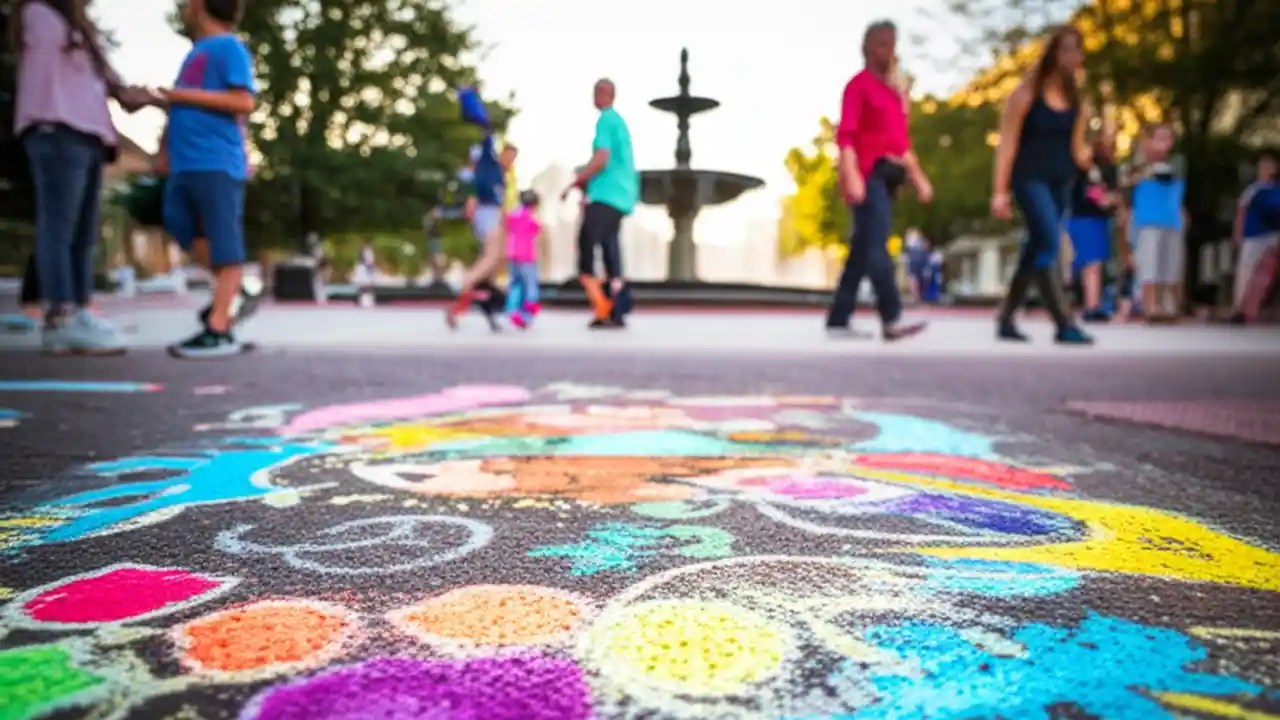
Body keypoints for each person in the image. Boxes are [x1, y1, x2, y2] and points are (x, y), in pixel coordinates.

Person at [12, 0, 151, 354]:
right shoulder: (40, 15)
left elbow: (107, 86)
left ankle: (79, 309)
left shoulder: (78, 28)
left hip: (87, 136)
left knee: (82, 234)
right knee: (59, 228)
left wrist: (134, 94)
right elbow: (46, 81)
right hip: (56, 129)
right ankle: (62, 314)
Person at [144, 0, 256, 358]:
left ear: (199, 5)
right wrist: (163, 149)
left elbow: (243, 101)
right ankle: (238, 289)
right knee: (180, 224)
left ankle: (219, 328)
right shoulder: (195, 54)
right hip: (185, 164)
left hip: (216, 162)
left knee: (224, 242)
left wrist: (178, 95)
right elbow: (181, 109)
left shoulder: (228, 47)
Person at [990, 25, 1094, 345]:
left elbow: (1078, 151)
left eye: (1077, 50)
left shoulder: (1078, 101)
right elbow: (1006, 145)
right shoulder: (1024, 95)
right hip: (1029, 178)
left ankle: (1006, 317)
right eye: (1065, 49)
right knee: (1050, 243)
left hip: (1062, 181)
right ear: (1052, 53)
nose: (1072, 56)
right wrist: (1000, 191)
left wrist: (1096, 152)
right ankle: (1064, 322)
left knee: (1034, 248)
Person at [826, 21, 930, 341]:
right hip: (866, 174)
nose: (888, 50)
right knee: (876, 246)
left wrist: (919, 179)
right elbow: (846, 137)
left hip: (888, 176)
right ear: (867, 48)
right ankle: (891, 316)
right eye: (881, 43)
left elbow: (902, 144)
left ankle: (838, 319)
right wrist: (852, 176)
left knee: (862, 248)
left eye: (892, 43)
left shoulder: (894, 93)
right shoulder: (858, 87)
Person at [562, 78, 639, 329]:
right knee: (609, 247)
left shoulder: (606, 119)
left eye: (598, 92)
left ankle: (602, 301)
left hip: (607, 194)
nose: (595, 96)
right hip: (622, 196)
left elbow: (602, 157)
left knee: (586, 243)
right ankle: (615, 306)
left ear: (607, 94)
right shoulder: (619, 122)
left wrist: (577, 180)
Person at [446, 135, 517, 331]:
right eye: (508, 157)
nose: (510, 162)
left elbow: (502, 203)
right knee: (492, 254)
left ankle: (482, 285)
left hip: (494, 214)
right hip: (486, 212)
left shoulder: (501, 177)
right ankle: (469, 280)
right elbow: (475, 187)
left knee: (501, 257)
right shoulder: (489, 167)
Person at [1128, 123, 1187, 323]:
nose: (1163, 143)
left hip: (1172, 221)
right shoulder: (1138, 165)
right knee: (1149, 265)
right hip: (1148, 221)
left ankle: (1168, 306)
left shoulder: (1177, 163)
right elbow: (1127, 183)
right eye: (1158, 138)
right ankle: (1149, 306)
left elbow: (1178, 191)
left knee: (1170, 266)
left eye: (1167, 138)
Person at [1068, 132, 1120, 322]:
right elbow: (1089, 192)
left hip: (1096, 219)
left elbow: (1110, 192)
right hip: (1084, 217)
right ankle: (1092, 305)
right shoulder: (1082, 170)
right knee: (1092, 263)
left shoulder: (1105, 169)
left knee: (1093, 263)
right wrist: (1104, 199)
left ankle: (1092, 303)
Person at [1230, 152, 1279, 323]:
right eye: (1262, 166)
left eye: (1269, 166)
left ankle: (1262, 308)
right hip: (1254, 236)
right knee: (1247, 272)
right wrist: (1238, 234)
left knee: (1268, 276)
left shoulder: (1276, 189)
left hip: (1274, 235)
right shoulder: (1253, 190)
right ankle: (1241, 309)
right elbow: (1241, 213)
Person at [504, 190, 543, 329]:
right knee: (530, 283)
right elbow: (537, 229)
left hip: (513, 254)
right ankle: (530, 305)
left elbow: (506, 226)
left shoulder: (512, 215)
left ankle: (513, 309)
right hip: (527, 256)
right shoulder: (531, 216)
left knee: (515, 283)